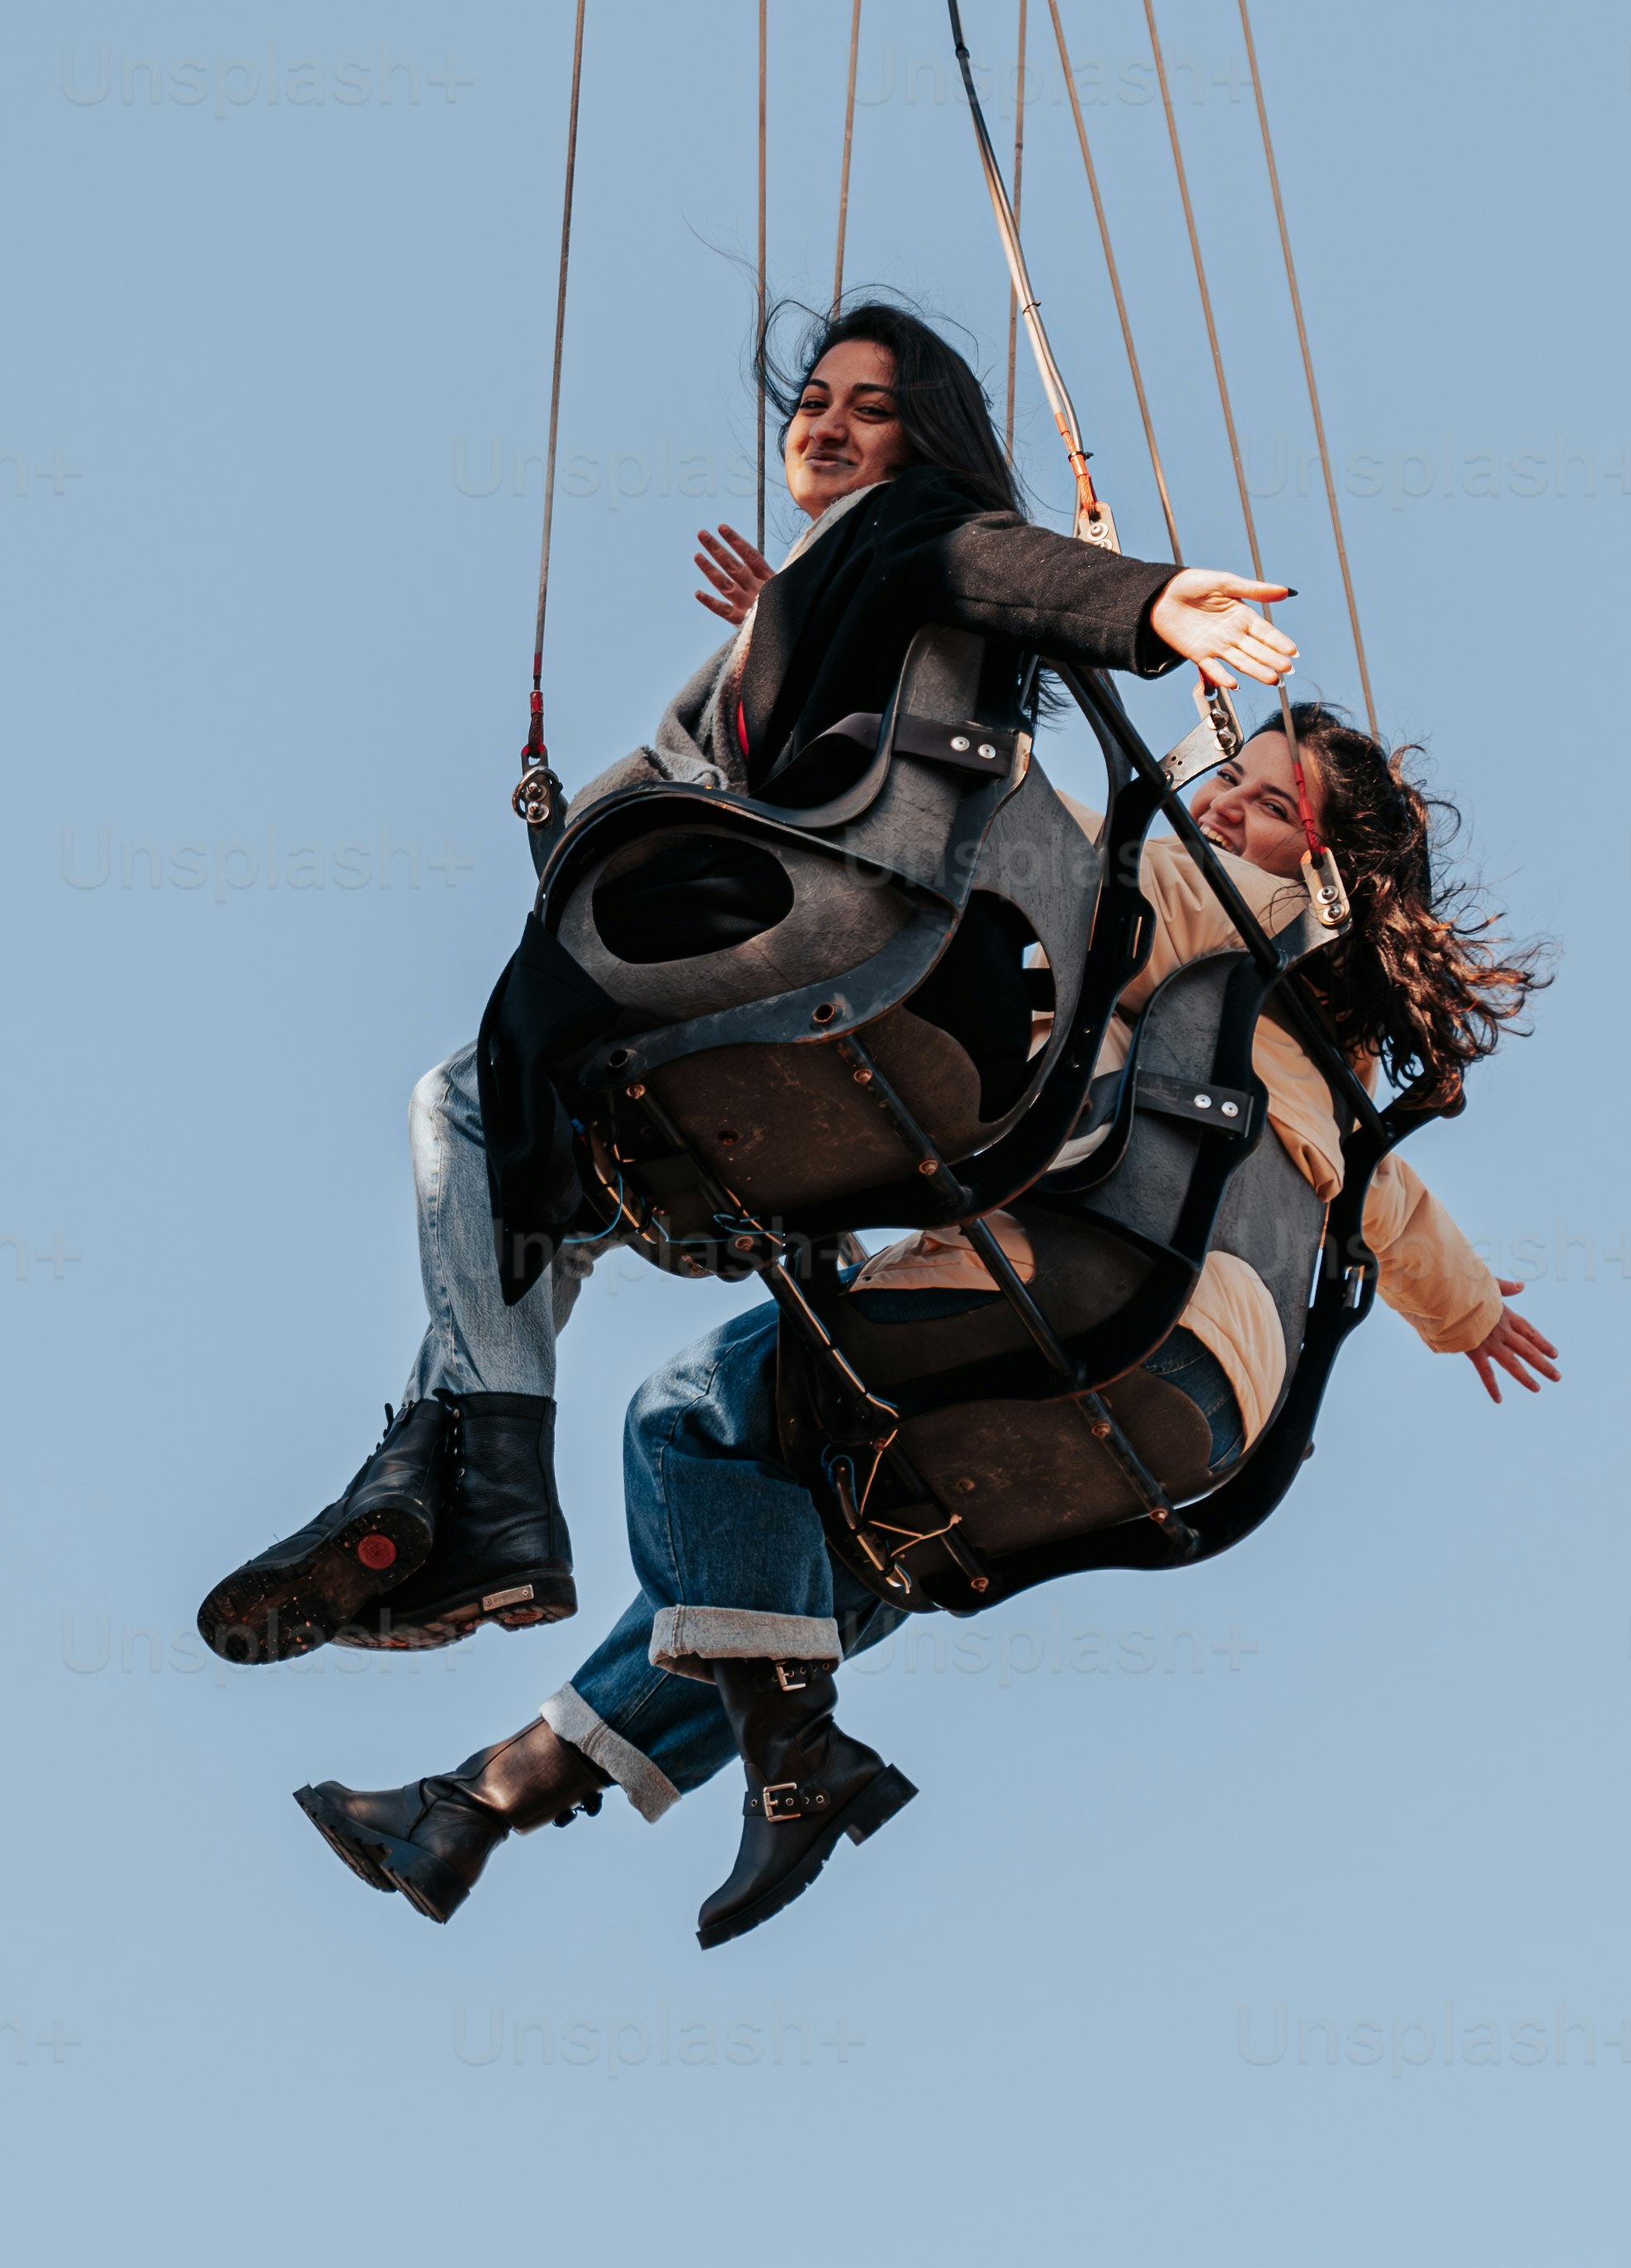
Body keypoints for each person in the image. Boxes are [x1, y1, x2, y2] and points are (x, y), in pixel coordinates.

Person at [299, 702, 1561, 1944]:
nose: (1228, 803)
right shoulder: (1309, 1081)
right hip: (1210, 1404)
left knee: (688, 1417)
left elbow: (1046, 846)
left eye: (1272, 805)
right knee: (815, 1562)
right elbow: (1403, 1225)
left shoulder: (1216, 905)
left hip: (1092, 1286)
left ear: (1327, 879)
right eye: (1231, 776)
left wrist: (873, 693)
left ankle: (784, 1751)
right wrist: (1475, 1319)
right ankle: (481, 1803)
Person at [188, 296, 1296, 1666]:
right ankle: (430, 1479)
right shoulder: (828, 590)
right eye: (813, 402)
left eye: (870, 406)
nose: (829, 423)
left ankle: (492, 1485)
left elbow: (981, 555)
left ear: (925, 439)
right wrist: (772, 626)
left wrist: (1146, 601)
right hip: (883, 967)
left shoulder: (912, 527)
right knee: (538, 1200)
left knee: (466, 1110)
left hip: (835, 923)